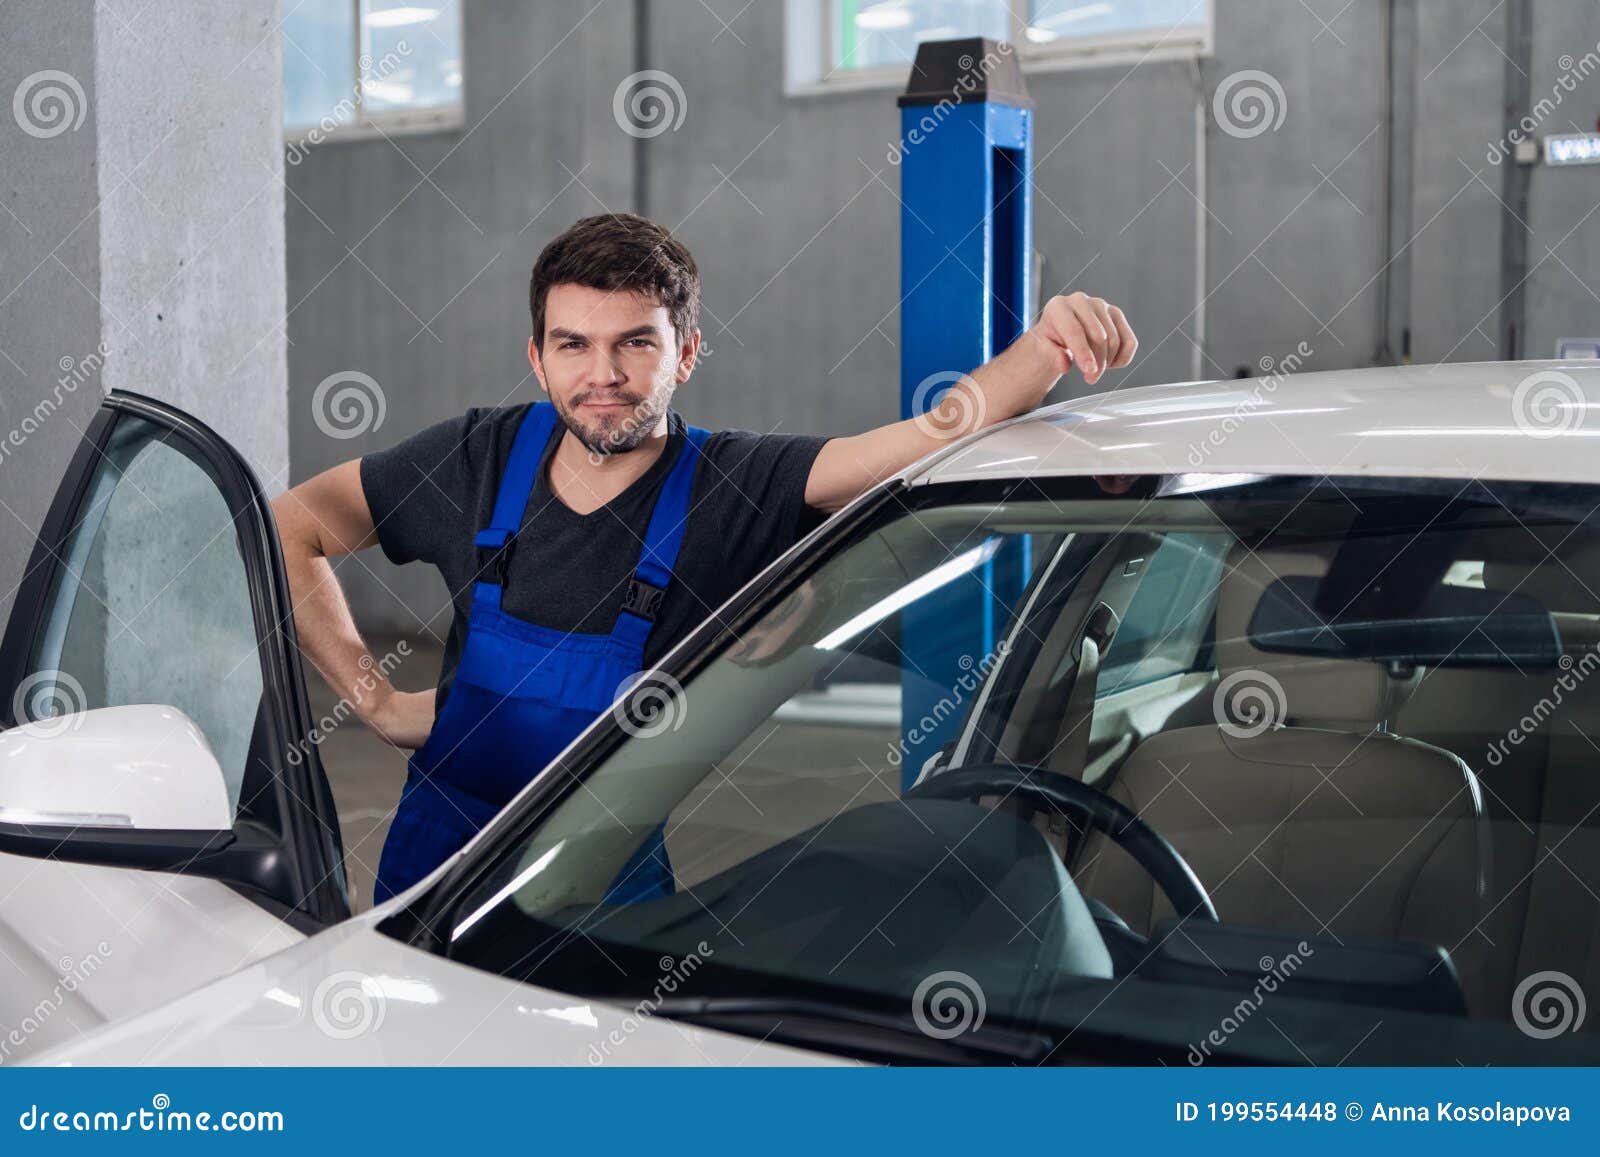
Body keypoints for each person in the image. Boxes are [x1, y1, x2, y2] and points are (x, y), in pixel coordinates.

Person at [272, 212, 1137, 903]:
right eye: (572, 344)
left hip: (600, 887)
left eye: (635, 343)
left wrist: (1044, 347)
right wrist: (375, 700)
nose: (601, 373)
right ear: (537, 359)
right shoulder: (477, 457)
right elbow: (293, 523)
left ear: (685, 352)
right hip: (434, 868)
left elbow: (922, 439)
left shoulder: (737, 484)